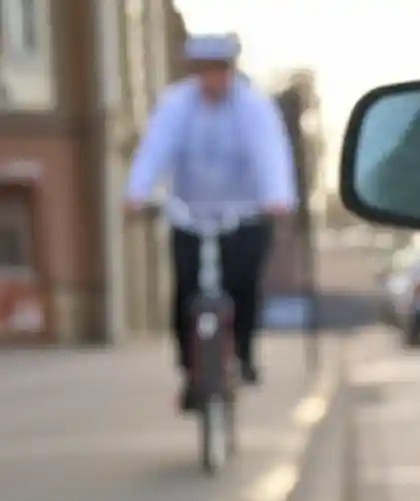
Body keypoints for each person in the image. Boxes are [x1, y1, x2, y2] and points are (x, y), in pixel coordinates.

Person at [124, 33, 296, 410]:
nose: (211, 79)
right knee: (186, 290)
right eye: (203, 70)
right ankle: (191, 370)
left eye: (218, 70)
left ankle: (244, 355)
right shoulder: (177, 104)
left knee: (242, 284)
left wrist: (277, 197)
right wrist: (137, 192)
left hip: (245, 212)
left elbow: (269, 152)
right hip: (190, 212)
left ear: (230, 71)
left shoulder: (252, 106)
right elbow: (155, 148)